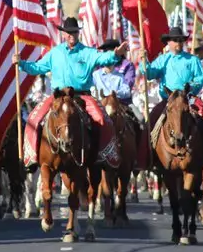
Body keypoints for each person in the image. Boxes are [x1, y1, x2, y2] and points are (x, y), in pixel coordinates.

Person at [15, 17, 127, 168]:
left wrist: (115, 54)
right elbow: (37, 68)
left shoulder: (87, 52)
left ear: (78, 33)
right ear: (63, 34)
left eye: (74, 32)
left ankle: (103, 155)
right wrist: (21, 63)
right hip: (58, 97)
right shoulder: (55, 53)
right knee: (33, 118)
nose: (71, 35)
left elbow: (102, 58)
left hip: (83, 96)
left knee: (102, 119)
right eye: (68, 32)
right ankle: (32, 157)